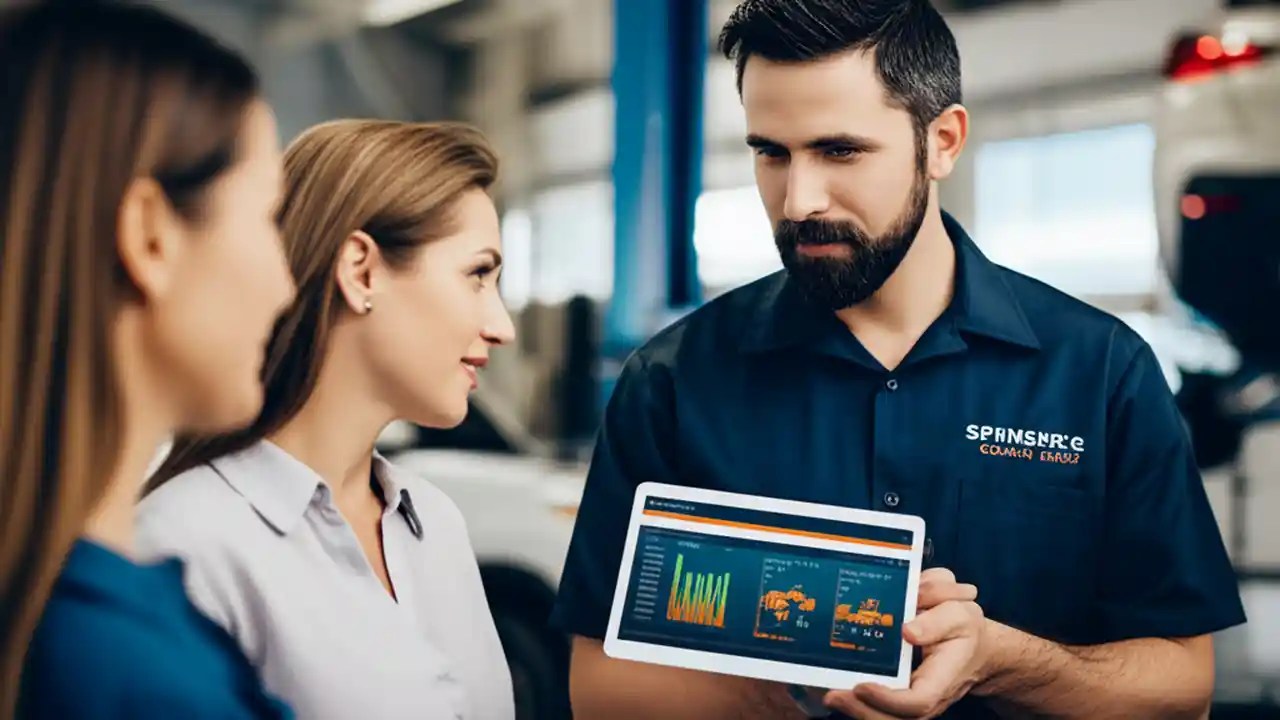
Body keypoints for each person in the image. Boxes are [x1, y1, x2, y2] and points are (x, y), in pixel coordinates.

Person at [551, 1, 1247, 719]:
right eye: (771, 152)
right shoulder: (672, 381)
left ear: (942, 140)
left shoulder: (1101, 373)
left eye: (840, 151)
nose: (799, 201)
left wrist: (1003, 661)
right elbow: (602, 683)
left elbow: (1182, 686)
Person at [136, 119, 518, 720]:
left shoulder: (435, 524)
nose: (503, 326)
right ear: (361, 271)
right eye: (478, 275)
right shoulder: (182, 546)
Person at [0, 2, 297, 718]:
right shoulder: (123, 671)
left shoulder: (84, 614)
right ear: (149, 236)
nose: (286, 284)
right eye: (266, 218)